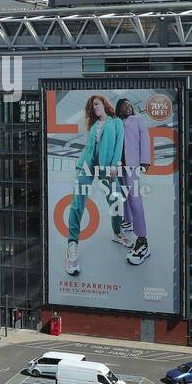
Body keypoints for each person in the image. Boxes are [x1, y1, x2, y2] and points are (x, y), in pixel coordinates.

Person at [63, 95, 125, 277]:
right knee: (77, 203)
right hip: (87, 166)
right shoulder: (93, 127)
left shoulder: (116, 123)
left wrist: (115, 164)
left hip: (107, 166)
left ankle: (117, 232)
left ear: (104, 104)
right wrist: (79, 165)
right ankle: (72, 245)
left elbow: (119, 144)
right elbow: (88, 148)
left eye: (96, 104)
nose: (94, 107)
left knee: (115, 200)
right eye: (92, 106)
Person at [115, 98, 152, 266]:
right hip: (118, 165)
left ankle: (142, 239)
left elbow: (145, 140)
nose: (128, 107)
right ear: (118, 109)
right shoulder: (115, 122)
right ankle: (127, 222)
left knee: (135, 199)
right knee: (123, 195)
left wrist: (145, 162)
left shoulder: (138, 120)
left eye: (130, 105)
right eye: (124, 105)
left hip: (132, 165)